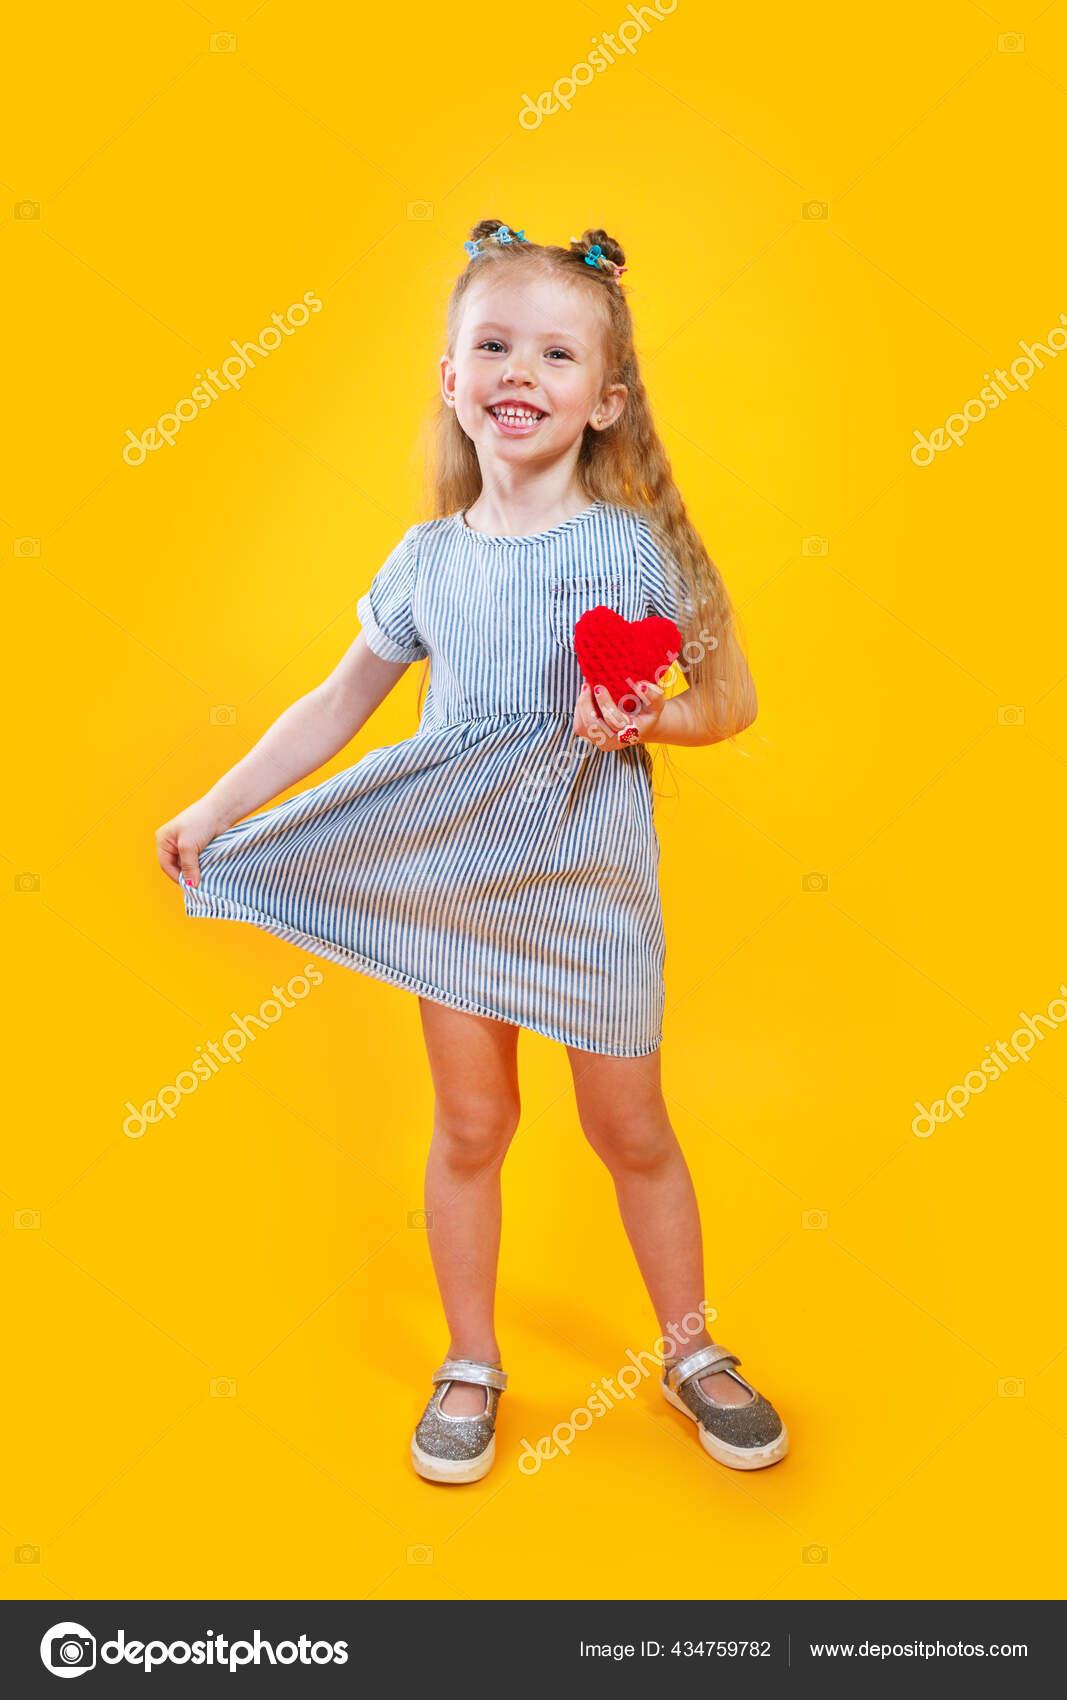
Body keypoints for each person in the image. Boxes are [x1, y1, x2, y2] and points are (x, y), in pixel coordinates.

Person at [155, 219, 788, 1484]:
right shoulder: (425, 560)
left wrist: (638, 713)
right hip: (454, 886)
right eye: (492, 343)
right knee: (471, 1122)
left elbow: (727, 703)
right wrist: (216, 807)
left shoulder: (625, 550)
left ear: (605, 399)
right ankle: (470, 1356)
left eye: (556, 353)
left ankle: (688, 1347)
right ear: (449, 375)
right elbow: (333, 707)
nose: (520, 370)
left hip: (589, 888)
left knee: (633, 1130)